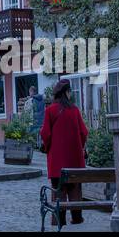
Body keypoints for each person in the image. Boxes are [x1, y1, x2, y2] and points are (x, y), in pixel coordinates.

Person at [40, 79, 88, 226]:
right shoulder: (74, 110)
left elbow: (45, 134)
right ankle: (77, 218)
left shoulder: (50, 110)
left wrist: (48, 147)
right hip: (75, 159)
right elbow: (84, 132)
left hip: (57, 160)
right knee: (75, 189)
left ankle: (59, 220)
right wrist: (80, 147)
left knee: (58, 191)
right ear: (66, 93)